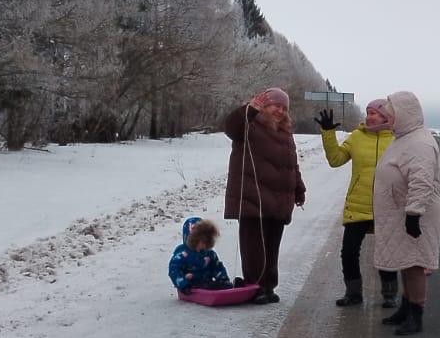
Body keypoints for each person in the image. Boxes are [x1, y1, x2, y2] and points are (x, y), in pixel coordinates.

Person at [223, 88, 306, 305]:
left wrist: (298, 187)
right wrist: (249, 110)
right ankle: (255, 286)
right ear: (264, 106)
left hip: (278, 200)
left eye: (283, 107)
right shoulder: (249, 125)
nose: (279, 110)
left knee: (272, 246)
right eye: (275, 105)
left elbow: (291, 165)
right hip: (253, 197)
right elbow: (230, 127)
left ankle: (268, 286)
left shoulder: (286, 132)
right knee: (254, 247)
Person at [317, 99, 399, 308]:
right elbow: (335, 159)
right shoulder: (357, 136)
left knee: (387, 252)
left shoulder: (398, 140)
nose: (369, 116)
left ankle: (390, 294)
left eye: (375, 113)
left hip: (388, 205)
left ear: (387, 116)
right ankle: (353, 293)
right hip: (358, 204)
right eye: (368, 112)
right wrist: (328, 134)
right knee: (349, 251)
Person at [373, 91, 440, 336]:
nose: (388, 120)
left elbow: (421, 181)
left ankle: (416, 315)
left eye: (391, 116)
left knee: (414, 263)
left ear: (404, 114)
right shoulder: (404, 138)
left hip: (414, 213)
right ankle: (405, 308)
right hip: (400, 211)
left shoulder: (419, 143)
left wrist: (413, 214)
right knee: (405, 261)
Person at [168, 216, 233, 293]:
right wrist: (183, 283)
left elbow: (217, 267)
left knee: (217, 285)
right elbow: (174, 270)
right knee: (207, 286)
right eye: (199, 242)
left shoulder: (209, 254)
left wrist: (223, 278)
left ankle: (230, 285)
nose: (203, 245)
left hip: (207, 283)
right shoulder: (182, 255)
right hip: (191, 285)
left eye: (205, 242)